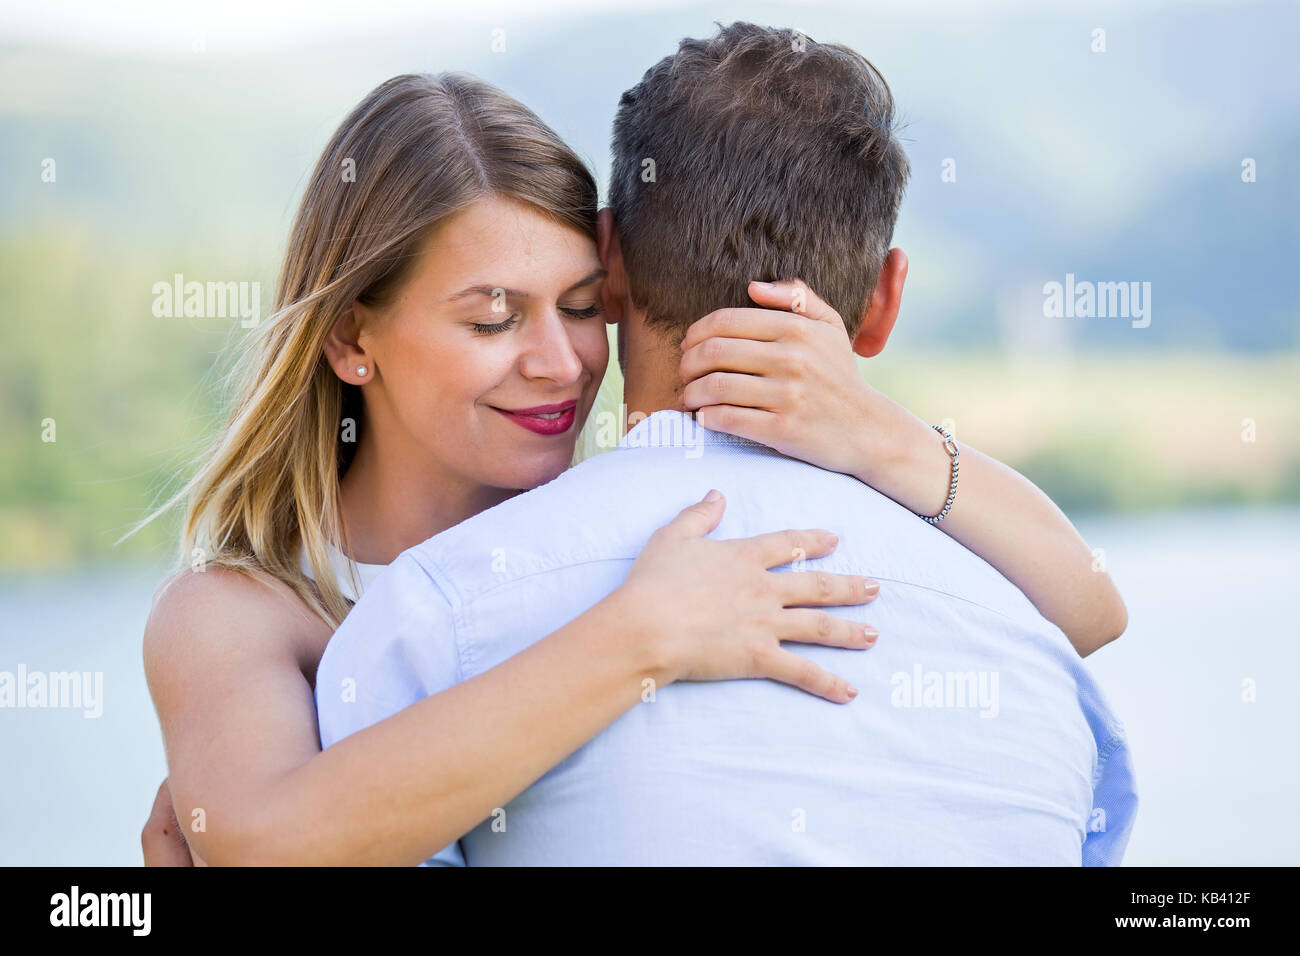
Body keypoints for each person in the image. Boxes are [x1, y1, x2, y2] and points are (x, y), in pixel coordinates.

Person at [141, 53, 1124, 866]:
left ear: (614, 274)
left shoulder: (623, 534)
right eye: (491, 317)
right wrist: (640, 636)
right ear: (354, 336)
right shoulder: (246, 609)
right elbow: (259, 840)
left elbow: (1089, 606)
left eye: (579, 306)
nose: (558, 360)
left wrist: (879, 432)